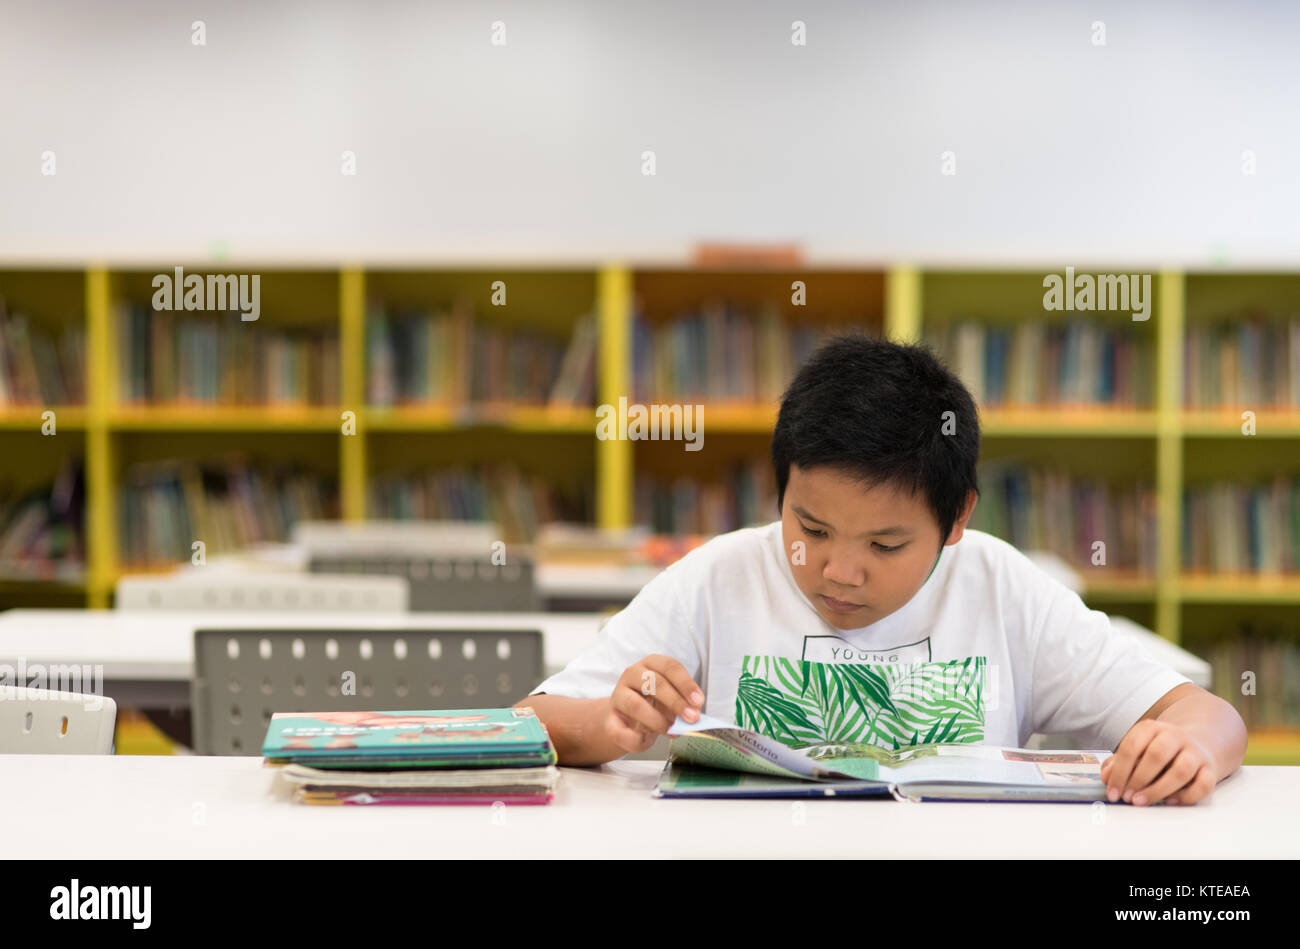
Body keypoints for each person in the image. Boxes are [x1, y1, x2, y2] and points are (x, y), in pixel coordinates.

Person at [518, 333, 1247, 806]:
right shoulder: (720, 577)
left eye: (886, 546)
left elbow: (1211, 716)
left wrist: (1187, 748)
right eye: (811, 527)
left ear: (957, 516)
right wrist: (611, 724)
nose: (840, 571)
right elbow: (531, 722)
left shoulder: (1000, 587)